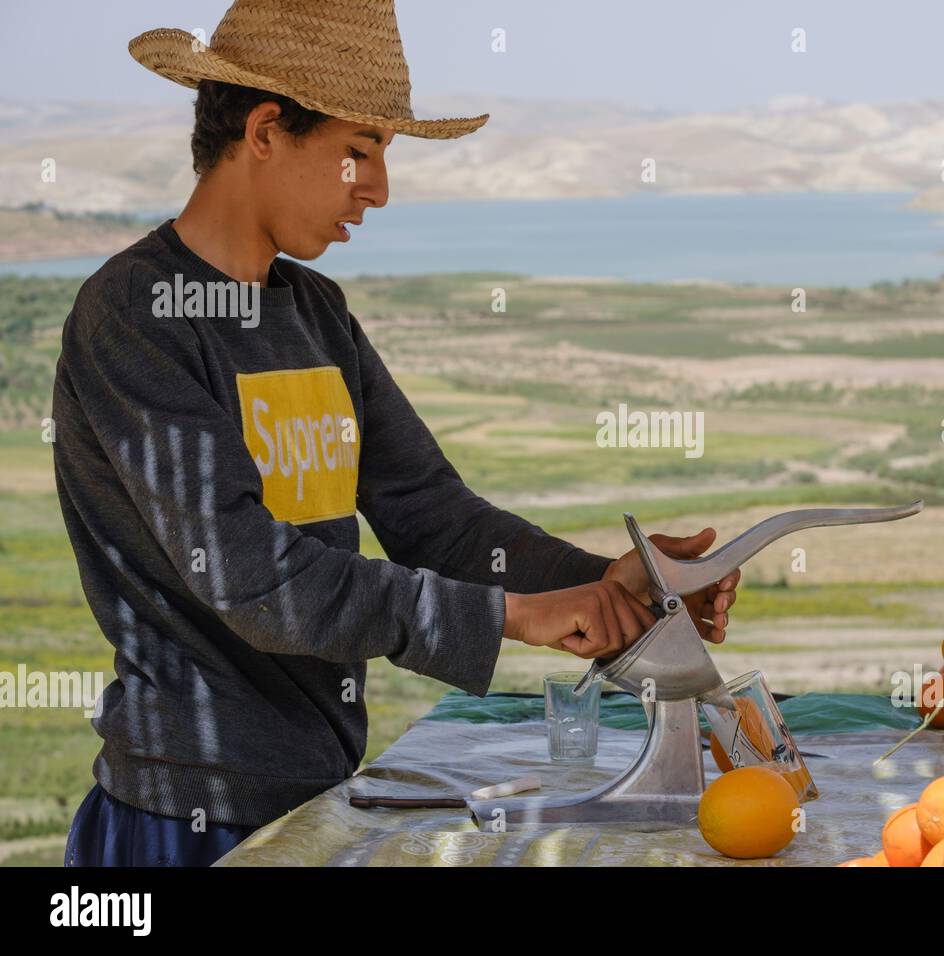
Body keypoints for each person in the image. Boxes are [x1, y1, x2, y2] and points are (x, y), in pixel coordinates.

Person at [57, 0, 739, 867]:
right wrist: (515, 617)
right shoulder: (136, 315)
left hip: (320, 794)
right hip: (181, 816)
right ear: (265, 129)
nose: (378, 188)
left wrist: (601, 581)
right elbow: (252, 580)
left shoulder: (315, 313)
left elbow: (433, 516)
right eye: (361, 150)